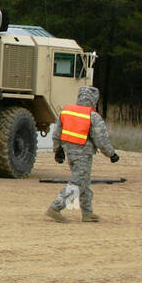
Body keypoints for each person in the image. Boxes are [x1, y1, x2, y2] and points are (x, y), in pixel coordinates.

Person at [46, 85, 119, 223]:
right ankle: (55, 208)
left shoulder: (66, 112)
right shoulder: (93, 116)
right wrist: (111, 154)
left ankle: (87, 213)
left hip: (70, 154)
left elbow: (56, 134)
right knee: (77, 184)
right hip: (84, 155)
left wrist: (57, 150)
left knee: (84, 182)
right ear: (94, 100)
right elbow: (101, 140)